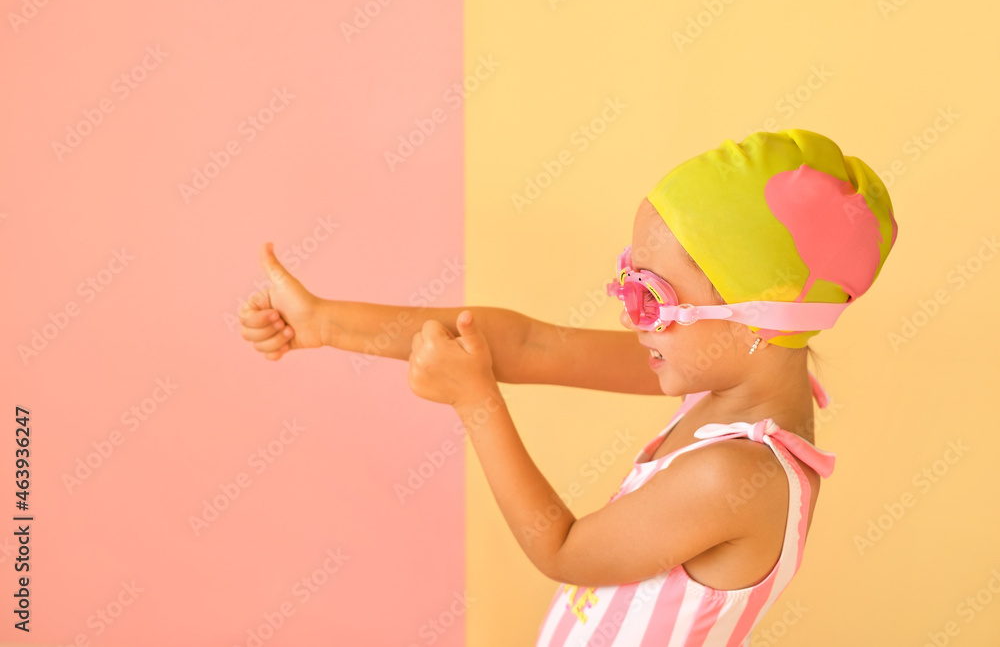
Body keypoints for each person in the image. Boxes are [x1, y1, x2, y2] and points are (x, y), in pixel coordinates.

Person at [237, 128, 898, 645]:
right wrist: (325, 322)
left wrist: (476, 402)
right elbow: (526, 344)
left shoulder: (733, 475)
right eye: (627, 281)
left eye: (651, 297)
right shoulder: (722, 378)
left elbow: (564, 550)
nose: (628, 313)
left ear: (756, 319)